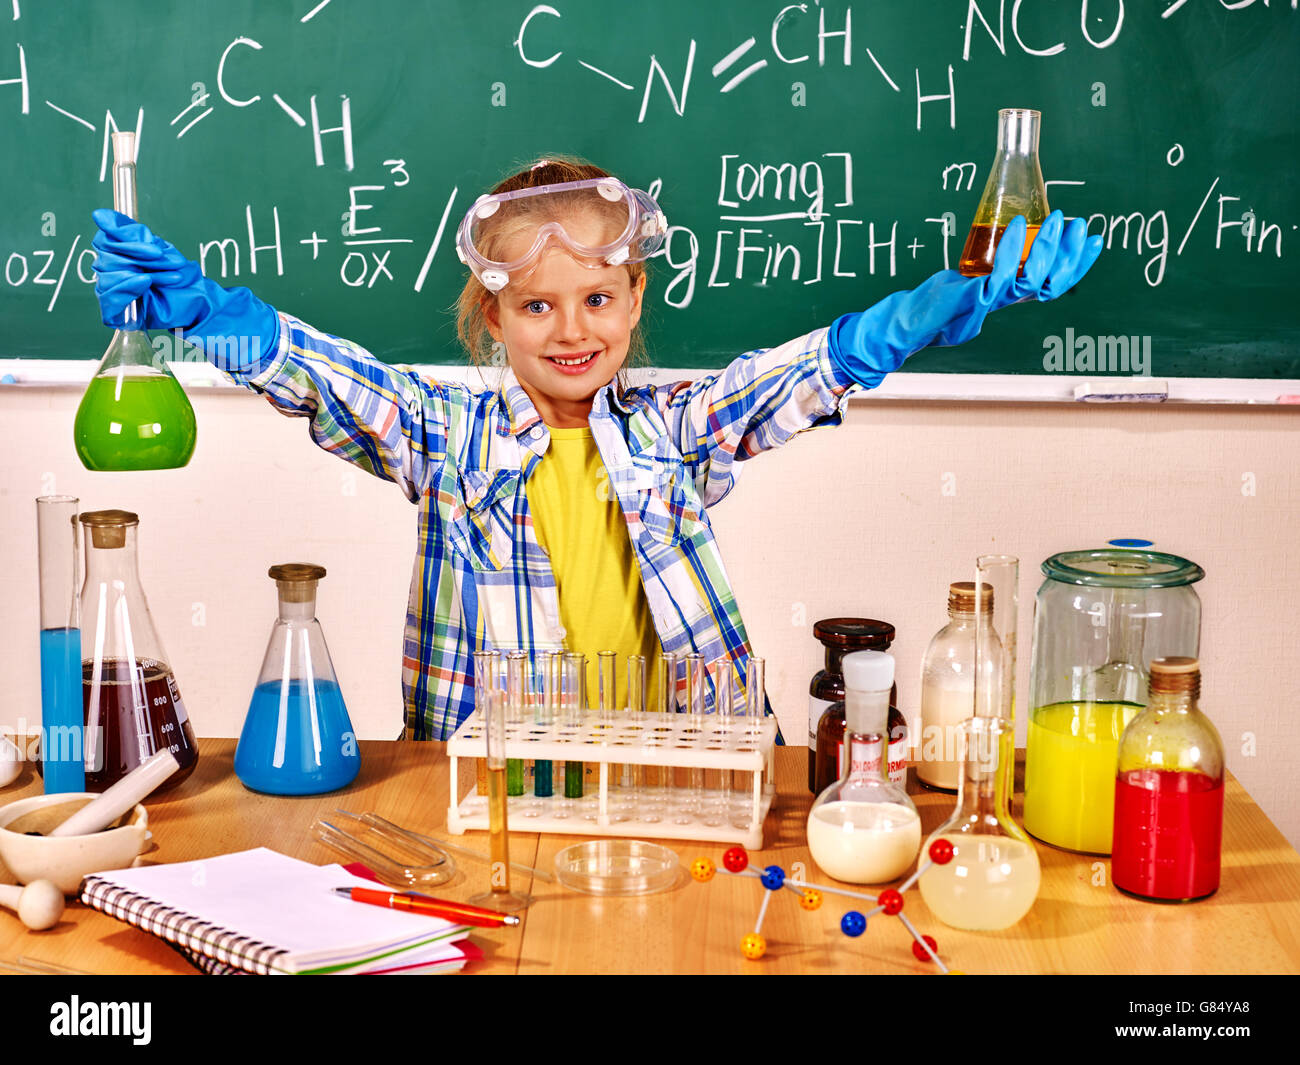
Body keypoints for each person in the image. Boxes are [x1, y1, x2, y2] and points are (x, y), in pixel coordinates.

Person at [91, 157, 1102, 740]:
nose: (570, 331)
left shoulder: (672, 430)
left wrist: (942, 307)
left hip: (683, 759)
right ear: (491, 320)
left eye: (595, 300)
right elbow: (317, 374)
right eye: (535, 305)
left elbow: (809, 369)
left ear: (632, 301)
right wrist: (206, 315)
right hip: (496, 771)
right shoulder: (445, 437)